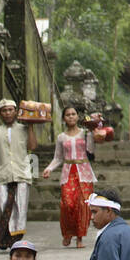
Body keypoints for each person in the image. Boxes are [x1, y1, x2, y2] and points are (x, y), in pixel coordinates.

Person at [0, 98, 38, 249]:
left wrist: (31, 127)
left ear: (15, 111)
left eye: (10, 110)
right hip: (2, 174)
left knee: (20, 207)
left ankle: (15, 240)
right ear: (0, 113)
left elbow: (32, 146)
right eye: (4, 110)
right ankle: (5, 233)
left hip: (22, 173)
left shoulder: (24, 129)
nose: (7, 113)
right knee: (0, 204)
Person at [43, 106, 97, 248]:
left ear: (78, 117)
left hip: (84, 172)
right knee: (67, 204)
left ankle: (80, 238)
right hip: (68, 172)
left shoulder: (85, 133)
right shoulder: (61, 137)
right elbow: (58, 157)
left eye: (73, 114)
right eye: (68, 115)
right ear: (63, 118)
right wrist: (49, 168)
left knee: (83, 204)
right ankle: (67, 233)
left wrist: (92, 132)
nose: (71, 117)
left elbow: (91, 151)